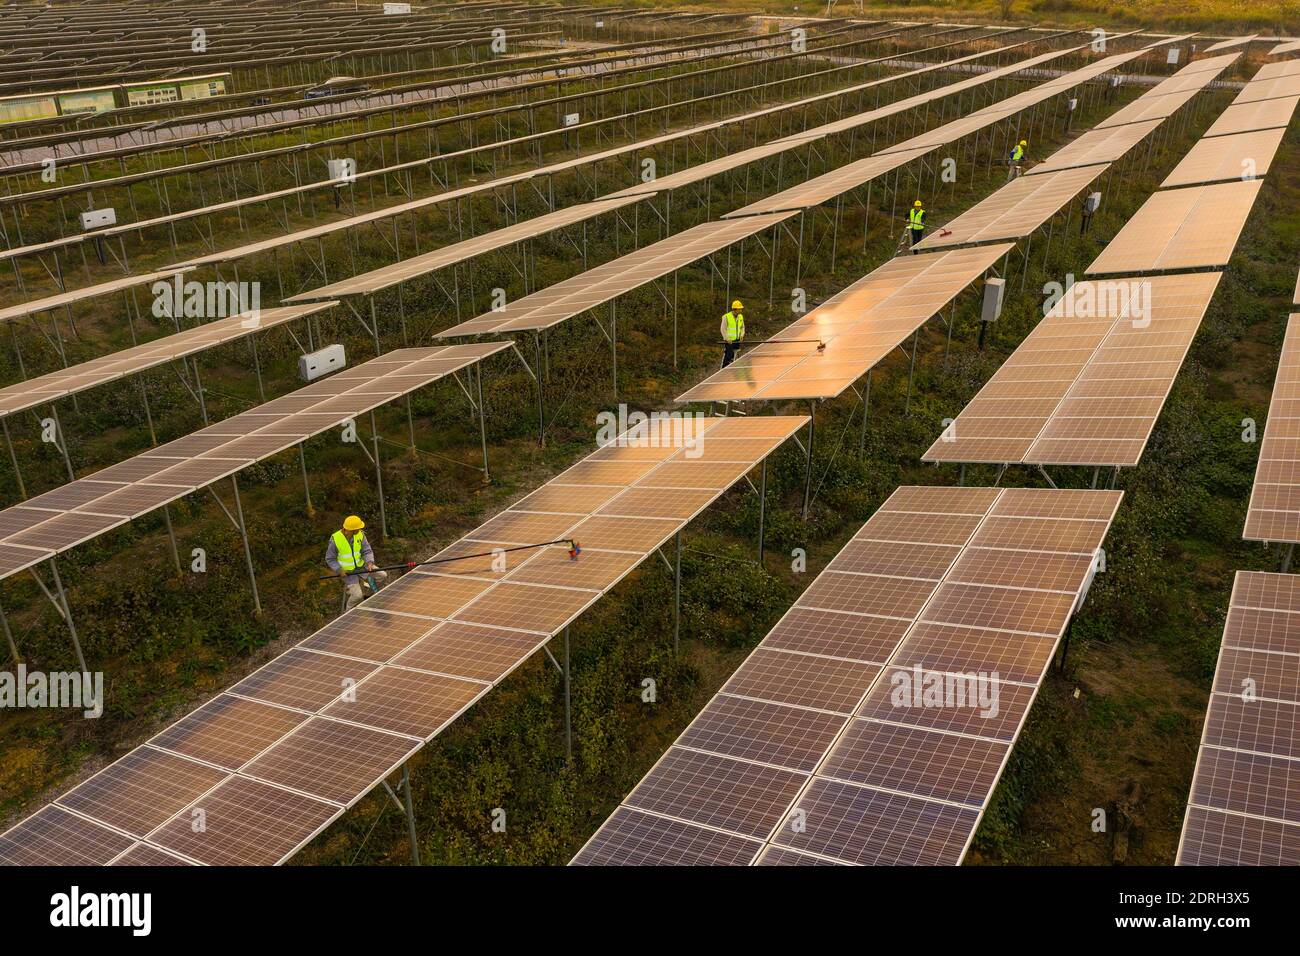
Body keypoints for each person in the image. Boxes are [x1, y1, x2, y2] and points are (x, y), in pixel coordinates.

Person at [326, 515, 387, 610]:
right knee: (357, 596)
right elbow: (330, 559)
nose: (360, 529)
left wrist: (369, 562)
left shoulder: (360, 535)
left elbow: (367, 551)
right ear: (352, 529)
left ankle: (368, 597)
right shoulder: (335, 540)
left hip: (363, 566)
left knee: (382, 575)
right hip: (348, 573)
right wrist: (339, 570)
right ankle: (348, 612)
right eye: (358, 528)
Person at [720, 299, 746, 367]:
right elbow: (723, 329)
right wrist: (727, 338)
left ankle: (734, 369)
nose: (741, 310)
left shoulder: (740, 316)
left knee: (735, 354)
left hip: (737, 340)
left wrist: (742, 335)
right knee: (729, 354)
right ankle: (724, 368)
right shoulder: (726, 317)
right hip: (729, 341)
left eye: (741, 309)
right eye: (739, 309)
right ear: (734, 309)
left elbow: (742, 327)